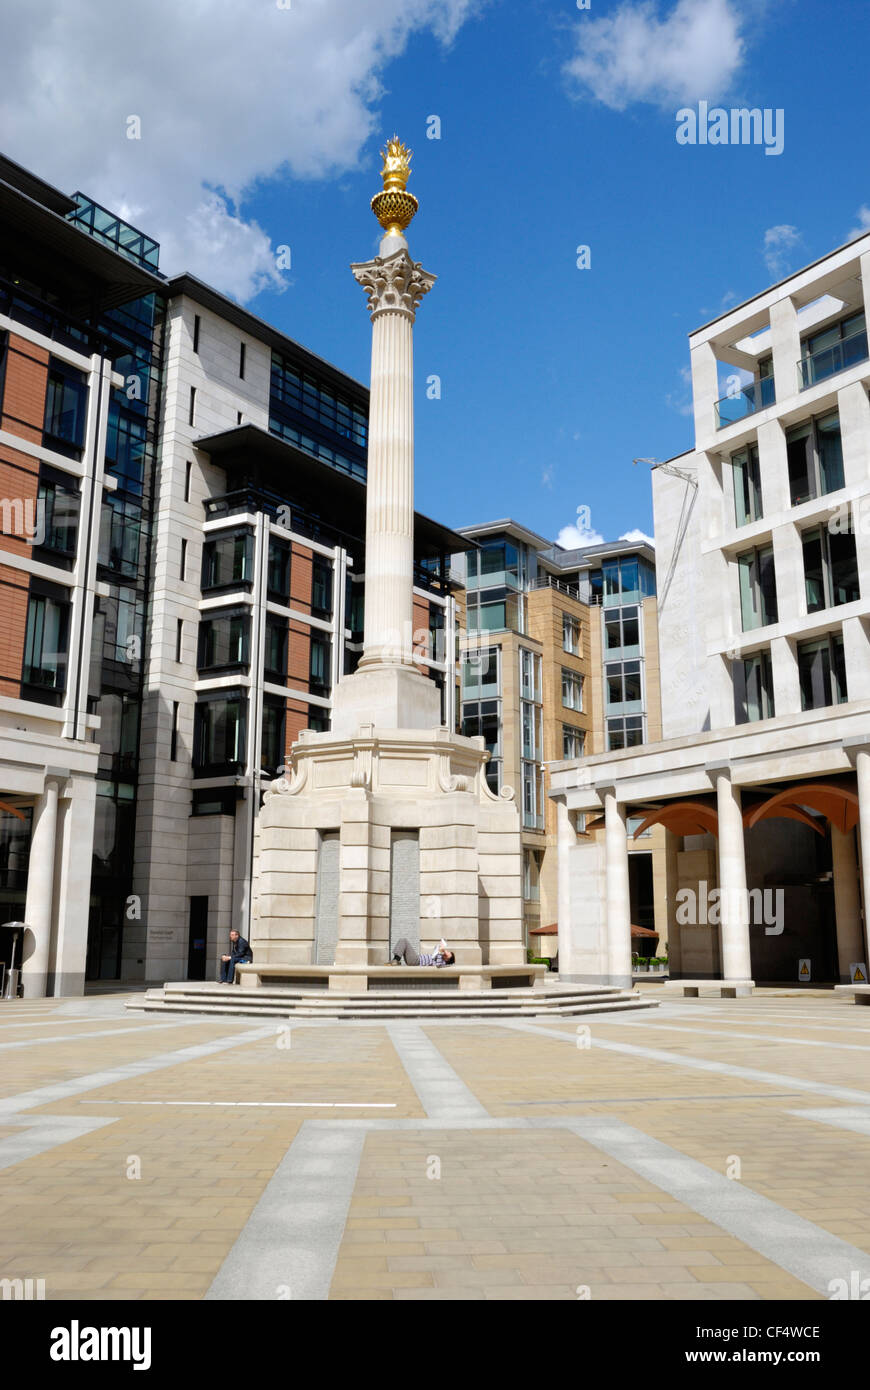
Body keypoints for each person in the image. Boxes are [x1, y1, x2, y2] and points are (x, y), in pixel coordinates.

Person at [390, 937, 455, 967]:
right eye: (447, 953)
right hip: (416, 959)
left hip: (417, 961)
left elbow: (437, 965)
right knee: (403, 941)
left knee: (404, 940)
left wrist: (442, 951)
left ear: (447, 960)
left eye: (447, 956)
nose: (445, 954)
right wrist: (442, 946)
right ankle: (396, 960)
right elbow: (436, 948)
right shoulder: (440, 956)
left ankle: (396, 960)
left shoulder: (442, 962)